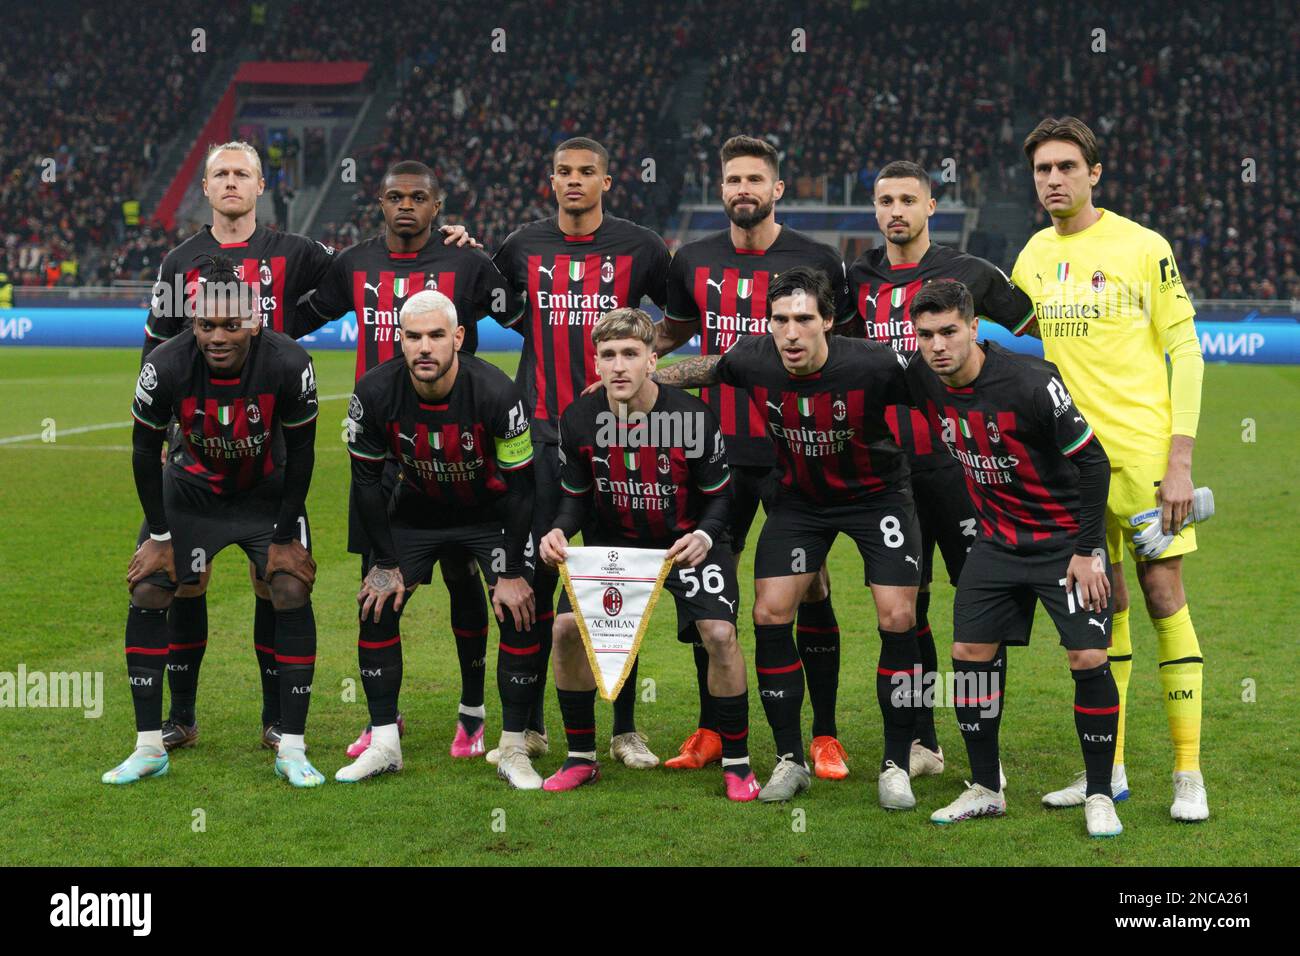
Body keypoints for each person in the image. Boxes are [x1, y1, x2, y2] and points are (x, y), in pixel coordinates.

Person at [651, 266, 923, 808]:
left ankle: (896, 765)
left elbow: (940, 384)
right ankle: (790, 760)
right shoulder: (754, 357)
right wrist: (638, 380)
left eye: (803, 319)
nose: (791, 333)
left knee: (898, 617)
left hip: (878, 498)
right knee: (770, 613)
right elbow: (708, 369)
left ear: (828, 321)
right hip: (800, 501)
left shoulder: (873, 362)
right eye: (780, 320)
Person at [1010, 117, 1209, 821]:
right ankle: (1110, 770)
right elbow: (1018, 341)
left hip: (1146, 463)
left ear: (1094, 173)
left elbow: (1186, 351)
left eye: (1067, 166)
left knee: (1162, 597)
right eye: (1042, 169)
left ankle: (1188, 774)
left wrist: (1179, 461)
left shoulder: (1143, 246)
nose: (1053, 179)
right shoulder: (1033, 256)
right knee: (1103, 607)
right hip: (1071, 468)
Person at [650, 135, 853, 780]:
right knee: (707, 583)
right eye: (733, 180)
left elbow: (842, 346)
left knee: (811, 585)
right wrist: (631, 356)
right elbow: (675, 330)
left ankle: (824, 735)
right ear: (721, 189)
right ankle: (712, 728)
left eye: (755, 180)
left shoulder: (817, 259)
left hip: (793, 450)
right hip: (712, 452)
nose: (744, 190)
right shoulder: (694, 259)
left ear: (777, 189)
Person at [301, 160, 515, 760]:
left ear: (437, 206)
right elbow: (299, 315)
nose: (405, 206)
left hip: (460, 444)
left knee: (463, 578)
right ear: (379, 201)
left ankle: (472, 714)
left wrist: (487, 252)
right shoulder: (354, 263)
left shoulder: (466, 264)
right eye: (395, 196)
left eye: (418, 198)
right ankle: (383, 720)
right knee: (378, 582)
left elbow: (524, 310)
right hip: (384, 446)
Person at [905, 280, 1122, 838]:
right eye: (925, 335)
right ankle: (986, 788)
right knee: (969, 653)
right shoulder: (919, 376)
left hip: (1064, 543)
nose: (937, 346)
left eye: (949, 331)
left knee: (1087, 658)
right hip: (997, 542)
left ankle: (1100, 793)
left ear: (974, 327)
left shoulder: (1031, 382)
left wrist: (1088, 551)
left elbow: (1094, 464)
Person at [841, 159, 1034, 781]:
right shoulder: (858, 277)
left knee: (982, 611)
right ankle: (923, 740)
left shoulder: (971, 272)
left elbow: (1037, 331)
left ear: (930, 207)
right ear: (875, 209)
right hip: (889, 472)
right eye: (885, 201)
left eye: (907, 200)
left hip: (962, 468)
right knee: (909, 610)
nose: (895, 211)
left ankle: (986, 754)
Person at [107, 254, 324, 787]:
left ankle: (291, 746)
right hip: (191, 492)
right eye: (206, 325)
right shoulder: (166, 364)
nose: (218, 337)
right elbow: (143, 452)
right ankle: (150, 745)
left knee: (290, 586)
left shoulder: (290, 363)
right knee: (149, 588)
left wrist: (284, 536)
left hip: (266, 493)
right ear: (193, 323)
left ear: (255, 321)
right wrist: (159, 537)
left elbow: (302, 454)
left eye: (231, 325)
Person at [491, 137, 671, 770]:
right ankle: (528, 727)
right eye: (564, 171)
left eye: (586, 172)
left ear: (606, 181)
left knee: (613, 586)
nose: (574, 180)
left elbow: (678, 316)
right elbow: (496, 300)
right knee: (536, 582)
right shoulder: (521, 245)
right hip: (541, 437)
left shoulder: (641, 247)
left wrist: (639, 370)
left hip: (618, 438)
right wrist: (459, 247)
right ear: (551, 180)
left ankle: (624, 730)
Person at [538, 308, 759, 801]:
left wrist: (705, 537)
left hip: (687, 543)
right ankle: (580, 758)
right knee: (565, 629)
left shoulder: (692, 417)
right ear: (596, 363)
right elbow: (574, 498)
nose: (619, 366)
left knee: (720, 634)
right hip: (614, 545)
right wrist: (557, 531)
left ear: (652, 361)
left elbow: (721, 496)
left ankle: (738, 764)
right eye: (609, 355)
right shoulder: (578, 418)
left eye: (630, 354)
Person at [339, 290, 544, 787]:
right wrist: (385, 562)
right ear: (400, 340)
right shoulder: (373, 391)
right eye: (413, 337)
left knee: (518, 610)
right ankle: (385, 744)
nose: (424, 347)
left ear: (458, 337)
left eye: (436, 335)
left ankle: (514, 748)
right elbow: (365, 482)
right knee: (376, 603)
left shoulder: (497, 393)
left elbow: (522, 489)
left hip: (491, 513)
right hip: (418, 512)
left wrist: (513, 571)